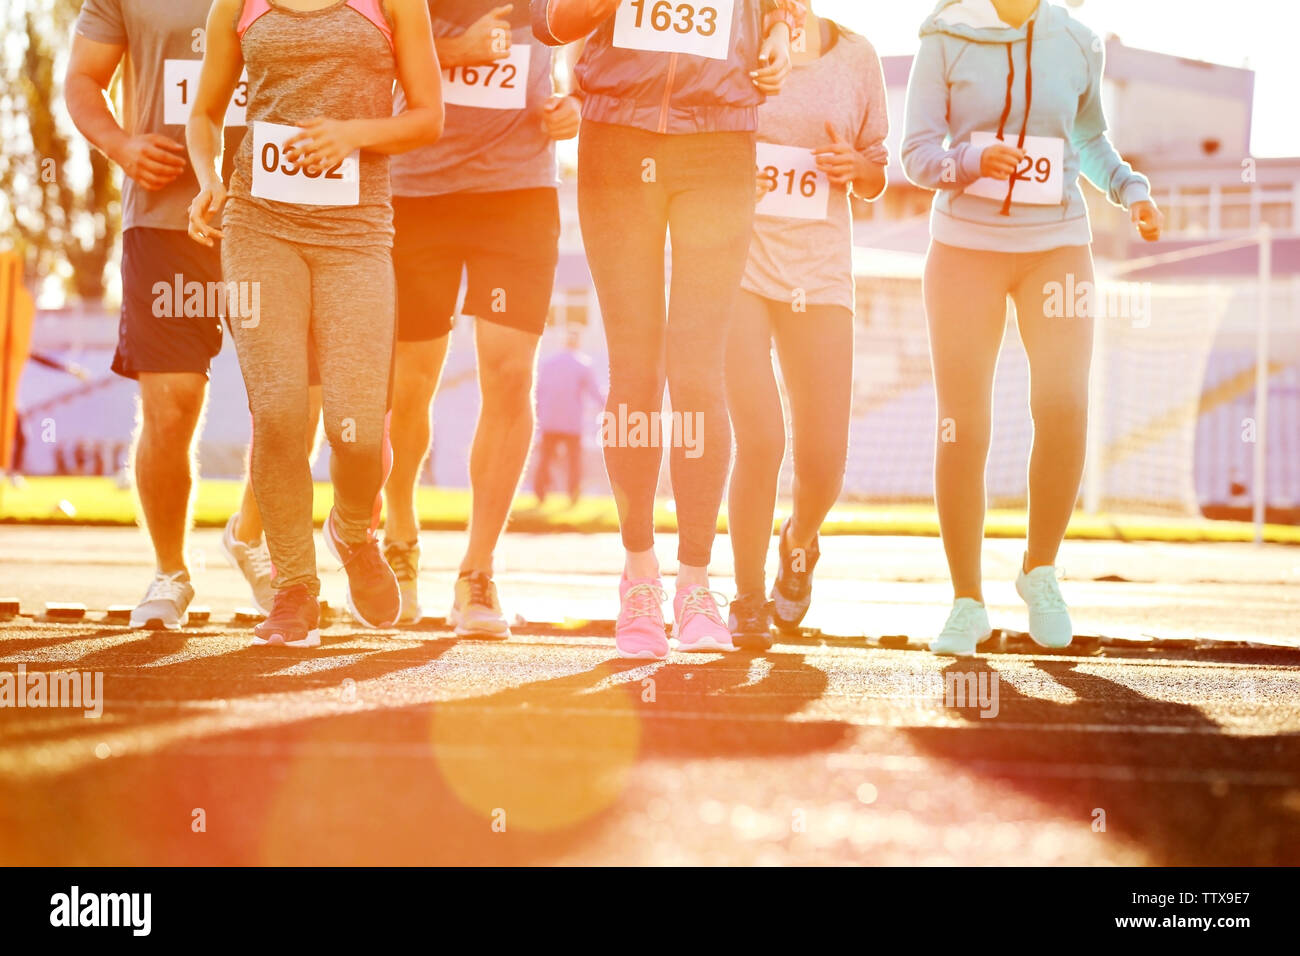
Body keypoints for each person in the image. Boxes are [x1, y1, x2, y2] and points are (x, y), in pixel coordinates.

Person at [535, 0, 805, 659]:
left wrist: (781, 30)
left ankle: (694, 581)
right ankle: (638, 576)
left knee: (696, 373)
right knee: (634, 369)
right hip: (617, 141)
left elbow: (785, 8)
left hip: (718, 144)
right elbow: (549, 21)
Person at [901, 0, 1162, 655]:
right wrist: (968, 163)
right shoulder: (944, 35)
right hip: (963, 249)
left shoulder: (1078, 41)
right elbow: (916, 153)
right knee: (964, 422)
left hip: (1058, 247)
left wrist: (1130, 190)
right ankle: (967, 601)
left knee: (1064, 404)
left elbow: (1089, 139)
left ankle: (1039, 571)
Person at [186, 0, 443, 646]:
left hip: (356, 234)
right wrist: (209, 177)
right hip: (258, 223)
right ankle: (294, 586)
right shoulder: (239, 7)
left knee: (356, 432)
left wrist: (354, 134)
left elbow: (428, 116)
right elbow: (205, 113)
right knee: (278, 414)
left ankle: (354, 530)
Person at [65, 0, 299, 628]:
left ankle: (251, 537)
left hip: (283, 221)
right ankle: (170, 571)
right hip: (164, 223)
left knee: (288, 403)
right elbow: (83, 78)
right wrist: (119, 145)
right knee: (170, 407)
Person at [382, 1, 581, 633]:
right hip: (418, 195)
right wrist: (455, 52)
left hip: (516, 196)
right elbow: (360, 52)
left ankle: (477, 572)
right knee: (410, 383)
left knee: (508, 373)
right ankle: (399, 527)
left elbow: (585, 52)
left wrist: (573, 104)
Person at [725, 6, 888, 649]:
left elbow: (876, 176)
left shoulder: (858, 57)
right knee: (760, 439)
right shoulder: (735, 40)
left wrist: (857, 166)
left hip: (818, 276)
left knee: (823, 461)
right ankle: (744, 598)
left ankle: (798, 539)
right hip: (737, 266)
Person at [534, 325, 605, 507]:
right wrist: (611, 405)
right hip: (571, 422)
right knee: (574, 461)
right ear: (578, 342)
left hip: (549, 420)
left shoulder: (548, 363)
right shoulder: (582, 364)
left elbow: (538, 392)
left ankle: (540, 492)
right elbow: (595, 393)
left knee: (545, 459)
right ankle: (573, 495)